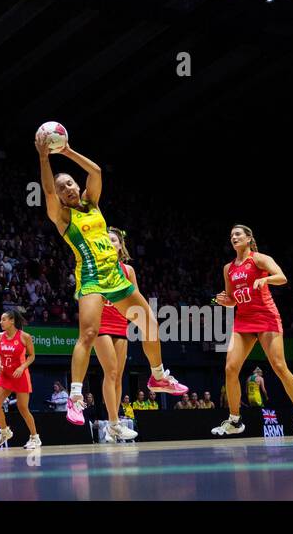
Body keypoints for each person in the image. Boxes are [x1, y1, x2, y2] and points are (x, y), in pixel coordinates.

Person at [35, 132, 186, 429]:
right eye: (61, 187)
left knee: (150, 324)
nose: (66, 189)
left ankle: (157, 376)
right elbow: (48, 193)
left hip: (115, 276)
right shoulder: (62, 217)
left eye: (69, 184)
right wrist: (44, 158)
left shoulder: (92, 203)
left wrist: (67, 151)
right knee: (88, 334)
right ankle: (75, 398)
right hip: (91, 278)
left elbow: (96, 171)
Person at [212, 225, 293, 438]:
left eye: (238, 234)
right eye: (231, 235)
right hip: (243, 320)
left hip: (266, 316)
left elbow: (282, 277)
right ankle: (235, 420)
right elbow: (232, 299)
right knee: (230, 368)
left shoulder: (259, 259)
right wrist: (225, 301)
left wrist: (265, 279)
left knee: (279, 366)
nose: (234, 237)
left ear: (249, 238)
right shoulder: (228, 268)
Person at [94, 227, 139, 443]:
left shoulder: (128, 271)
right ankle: (113, 424)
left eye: (113, 240)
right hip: (100, 324)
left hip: (121, 324)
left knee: (118, 376)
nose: (110, 243)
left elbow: (135, 298)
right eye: (106, 240)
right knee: (110, 372)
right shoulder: (94, 267)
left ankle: (114, 424)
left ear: (120, 245)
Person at [0, 308, 41, 449]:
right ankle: (5, 431)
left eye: (4, 319)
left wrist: (22, 367)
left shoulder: (25, 336)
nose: (1, 322)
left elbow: (32, 356)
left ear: (12, 321)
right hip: (5, 375)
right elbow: (0, 354)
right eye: (1, 319)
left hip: (20, 375)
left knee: (23, 408)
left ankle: (35, 438)